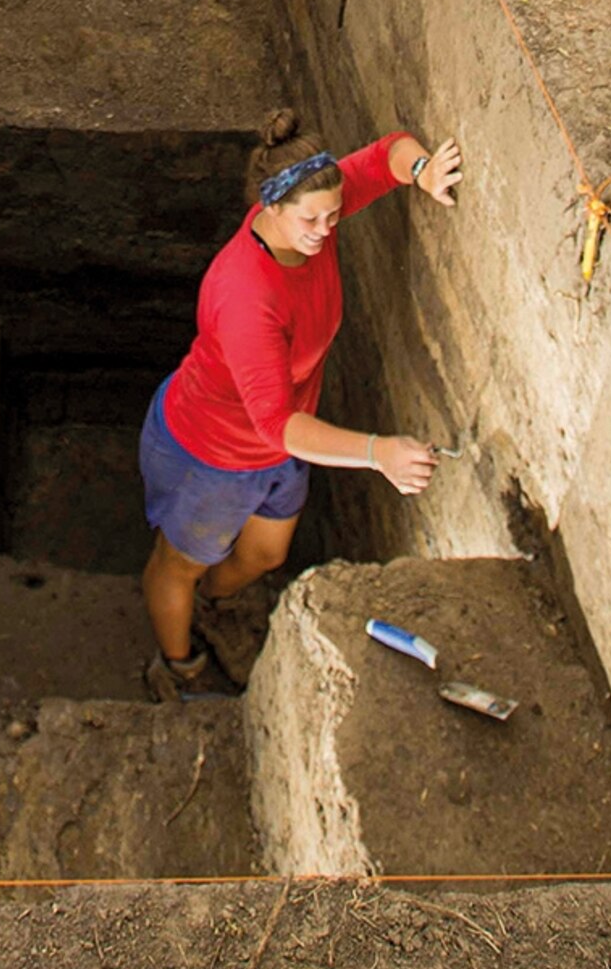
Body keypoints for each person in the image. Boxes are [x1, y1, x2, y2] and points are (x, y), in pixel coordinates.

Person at [138, 108, 462, 699]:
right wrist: (377, 452)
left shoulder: (316, 207)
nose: (325, 229)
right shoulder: (246, 297)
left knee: (264, 555)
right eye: (311, 219)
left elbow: (388, 152)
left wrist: (422, 170)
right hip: (211, 453)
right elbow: (277, 423)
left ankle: (215, 603)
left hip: (279, 447)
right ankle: (176, 663)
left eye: (334, 215)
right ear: (269, 208)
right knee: (178, 563)